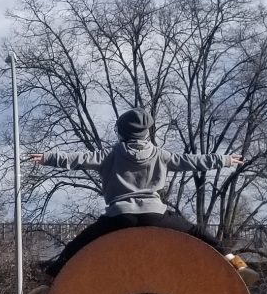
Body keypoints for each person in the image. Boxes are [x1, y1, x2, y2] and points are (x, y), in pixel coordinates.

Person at [30, 109, 253, 281]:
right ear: (147, 132)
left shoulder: (110, 155)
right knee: (197, 233)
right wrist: (223, 160)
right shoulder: (160, 155)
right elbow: (192, 161)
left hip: (119, 216)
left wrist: (48, 157)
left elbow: (77, 159)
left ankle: (48, 280)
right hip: (154, 215)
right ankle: (236, 263)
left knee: (79, 244)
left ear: (121, 133)